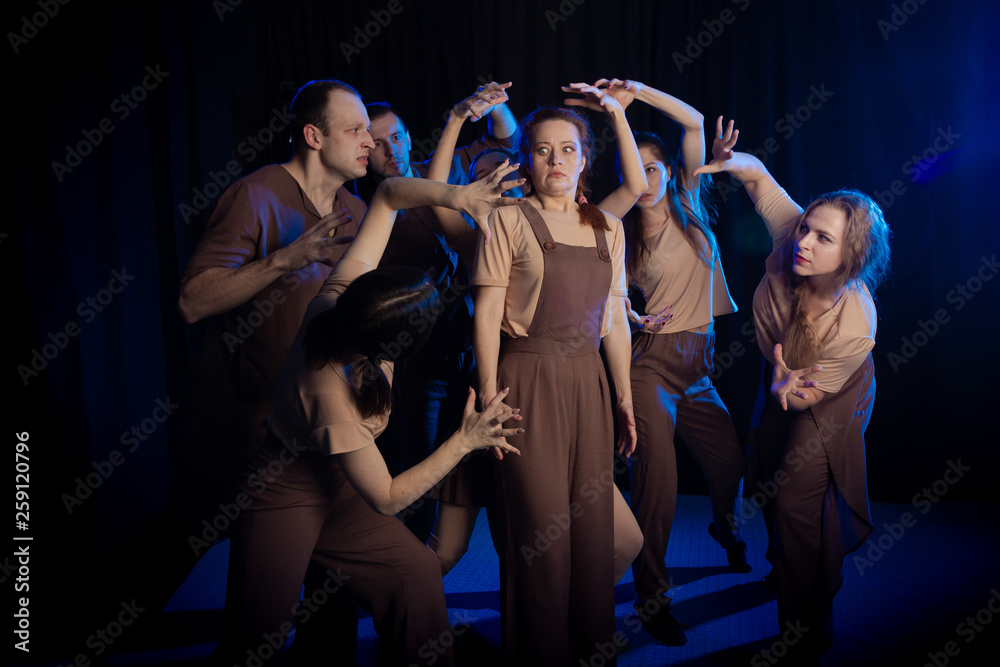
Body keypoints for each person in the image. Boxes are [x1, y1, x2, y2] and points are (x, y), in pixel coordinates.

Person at [84, 79, 369, 665]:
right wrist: (285, 259)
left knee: (328, 563)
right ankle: (81, 635)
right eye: (356, 129)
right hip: (238, 427)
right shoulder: (255, 196)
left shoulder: (356, 210)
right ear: (314, 136)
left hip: (314, 428)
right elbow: (193, 300)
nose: (369, 141)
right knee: (187, 537)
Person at [213, 165, 527, 667]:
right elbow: (386, 498)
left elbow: (385, 195)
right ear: (395, 347)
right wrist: (464, 442)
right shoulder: (330, 392)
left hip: (339, 485)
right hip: (281, 491)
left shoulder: (339, 300)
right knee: (257, 637)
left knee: (416, 575)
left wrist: (457, 196)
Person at [694, 117, 891, 662]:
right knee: (768, 469)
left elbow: (808, 397)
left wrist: (787, 387)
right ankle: (787, 569)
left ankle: (805, 625)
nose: (803, 240)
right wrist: (732, 162)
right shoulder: (791, 242)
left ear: (850, 258)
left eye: (822, 237)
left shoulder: (855, 322)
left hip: (829, 398)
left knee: (799, 502)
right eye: (806, 226)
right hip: (783, 374)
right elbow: (759, 180)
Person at [472, 93, 644, 665]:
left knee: (593, 535)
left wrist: (622, 396)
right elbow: (488, 317)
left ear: (584, 159)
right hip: (527, 381)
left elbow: (614, 320)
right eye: (543, 151)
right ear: (528, 159)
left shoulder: (610, 229)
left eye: (567, 149)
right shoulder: (507, 220)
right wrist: (491, 398)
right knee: (540, 535)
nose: (556, 161)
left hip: (589, 384)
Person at [590, 79, 750, 647]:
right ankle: (652, 597)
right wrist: (628, 316)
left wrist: (633, 93)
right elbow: (601, 298)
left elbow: (693, 119)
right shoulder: (619, 232)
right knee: (658, 483)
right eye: (641, 170)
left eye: (656, 170)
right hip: (649, 367)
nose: (649, 180)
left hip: (698, 368)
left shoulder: (690, 199)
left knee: (731, 462)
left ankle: (725, 522)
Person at [354, 85, 518, 542]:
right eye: (378, 143)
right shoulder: (369, 211)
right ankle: (410, 568)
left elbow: (508, 142)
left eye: (398, 137)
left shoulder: (442, 170)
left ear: (409, 136)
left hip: (478, 351)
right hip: (422, 365)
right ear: (364, 150)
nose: (392, 150)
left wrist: (489, 106)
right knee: (423, 471)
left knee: (488, 462)